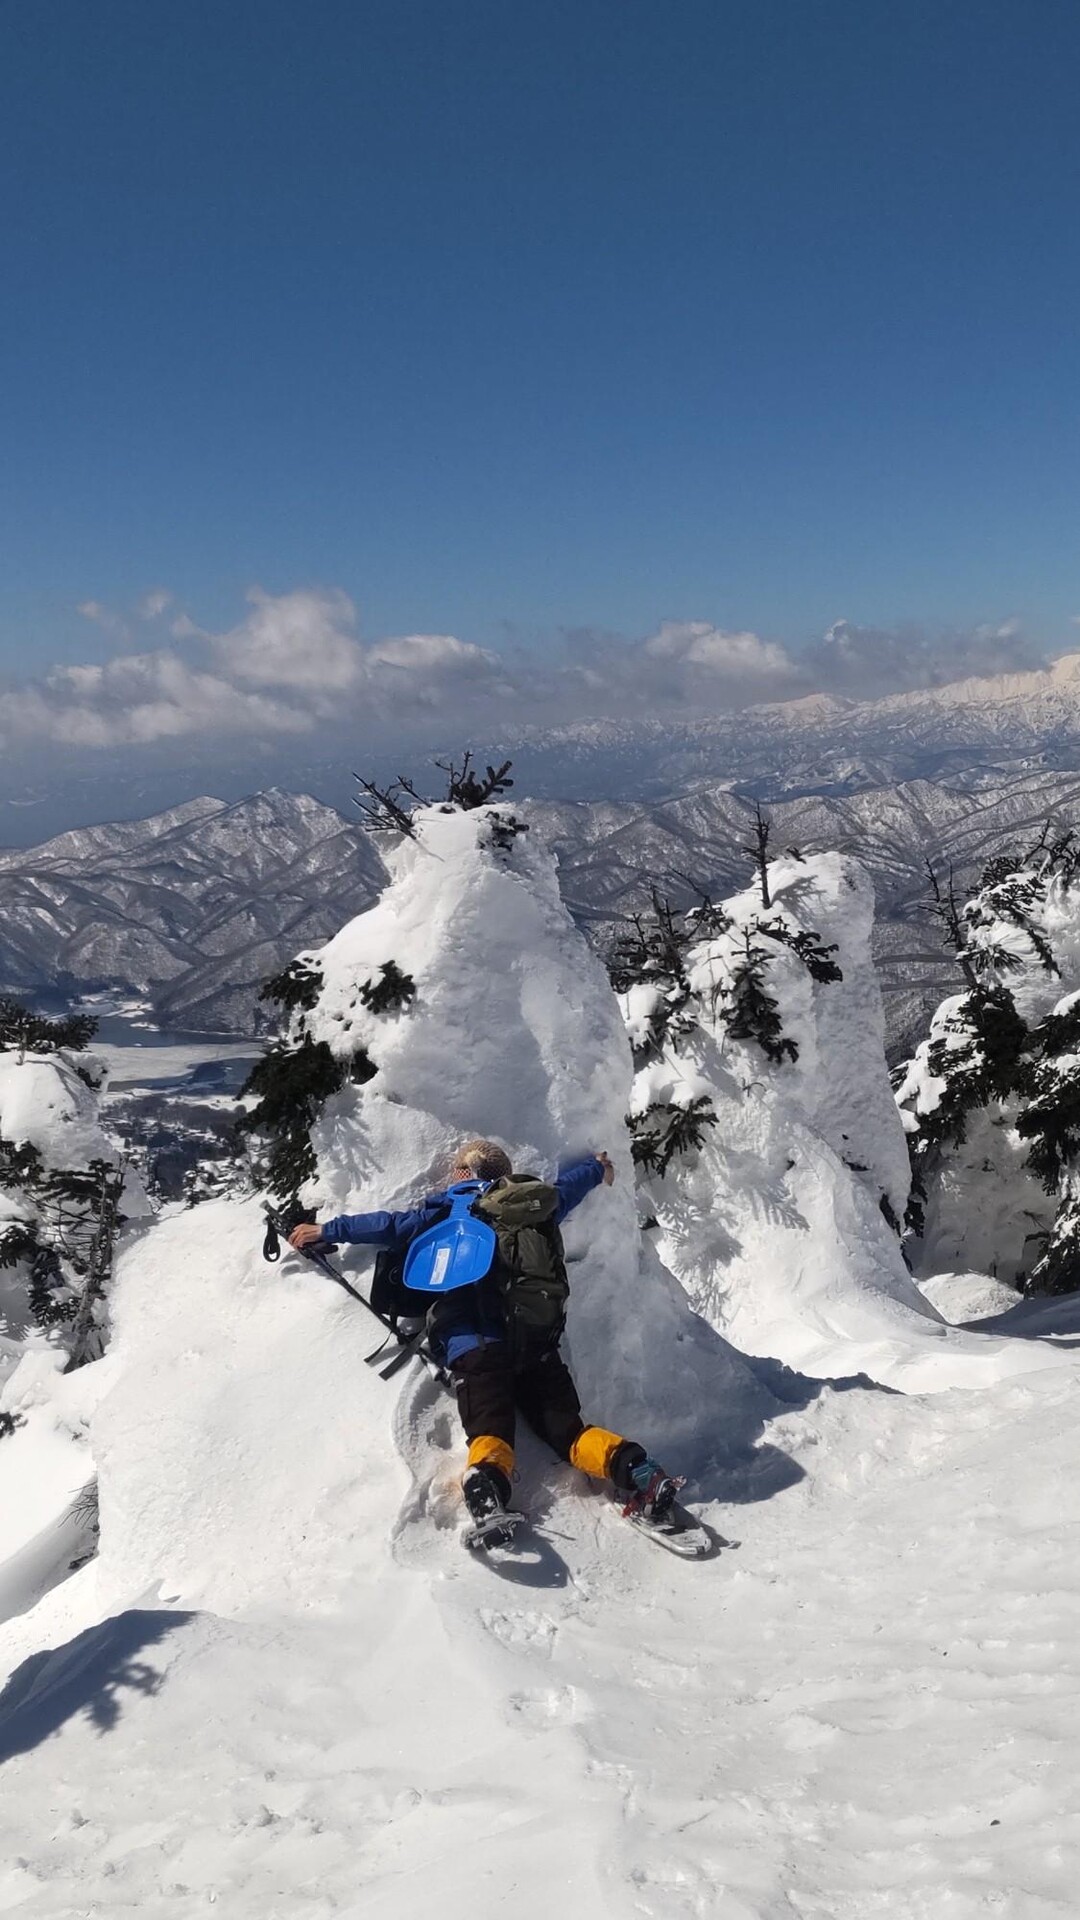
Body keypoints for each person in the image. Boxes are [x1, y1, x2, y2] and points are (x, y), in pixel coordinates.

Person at [289, 1138, 680, 1531]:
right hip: (535, 1344)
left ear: (462, 1174)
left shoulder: (448, 1208)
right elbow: (567, 1189)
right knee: (571, 1433)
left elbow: (389, 1226)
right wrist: (597, 1167)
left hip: (474, 1345)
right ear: (505, 1176)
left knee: (490, 1432)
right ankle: (638, 1469)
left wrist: (327, 1229)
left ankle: (487, 1492)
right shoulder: (529, 1206)